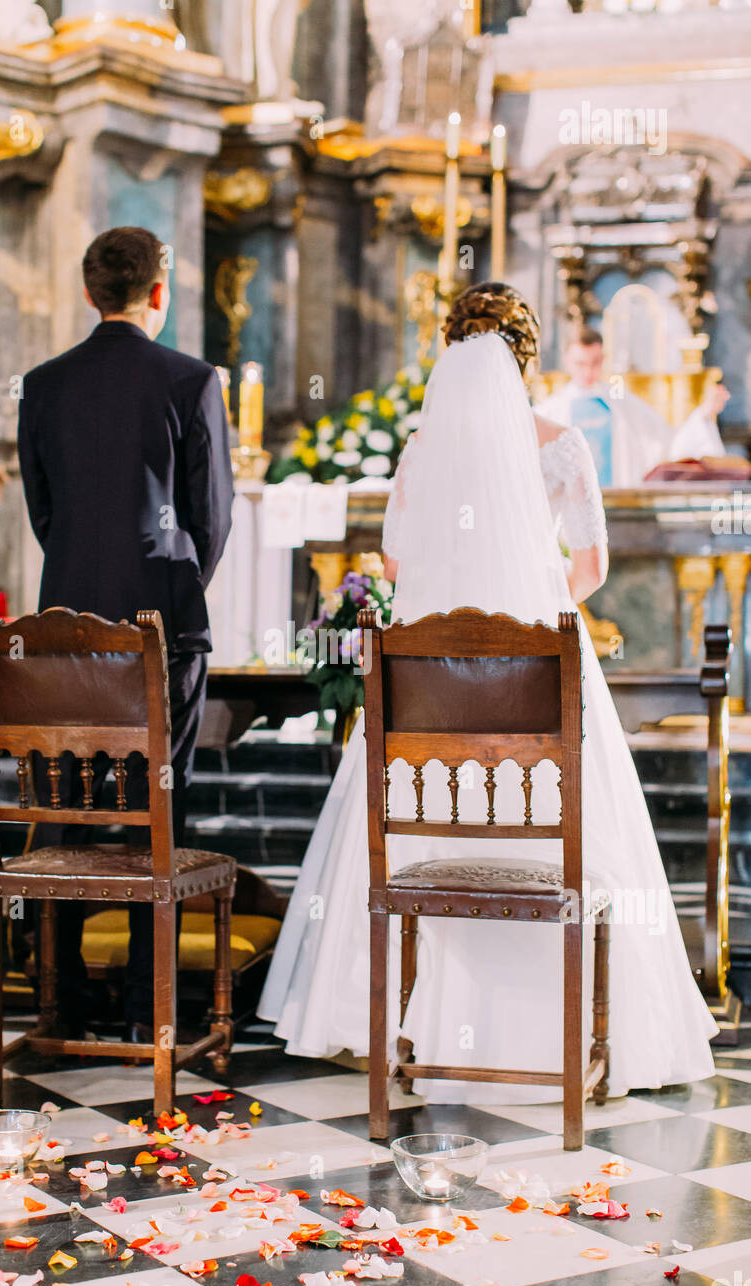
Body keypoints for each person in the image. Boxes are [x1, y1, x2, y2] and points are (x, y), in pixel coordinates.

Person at [259, 282, 716, 1104]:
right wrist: (539, 607)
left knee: (406, 790)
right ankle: (577, 1034)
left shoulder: (422, 450)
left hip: (431, 687)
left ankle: (393, 1024)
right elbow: (594, 567)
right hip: (537, 674)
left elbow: (396, 564)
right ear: (527, 356)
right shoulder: (563, 445)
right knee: (573, 804)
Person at [18, 225, 234, 1043]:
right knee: (158, 812)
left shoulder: (41, 385)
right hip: (162, 627)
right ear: (160, 291)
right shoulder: (190, 380)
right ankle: (151, 1009)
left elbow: (46, 513)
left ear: (88, 293)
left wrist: (82, 589)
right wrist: (171, 588)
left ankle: (62, 998)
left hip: (59, 636)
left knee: (64, 809)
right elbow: (209, 517)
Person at [538, 326, 729, 487]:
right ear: (567, 361)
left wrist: (703, 415)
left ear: (603, 358)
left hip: (621, 505)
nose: (588, 371)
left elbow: (667, 443)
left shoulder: (621, 404)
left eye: (595, 362)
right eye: (580, 363)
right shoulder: (552, 410)